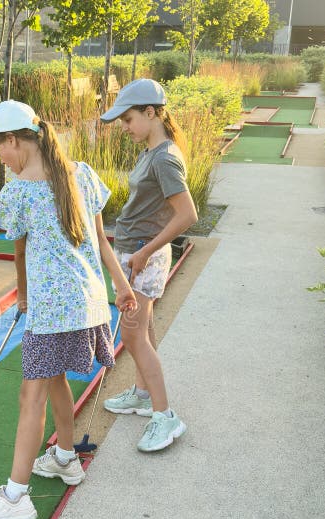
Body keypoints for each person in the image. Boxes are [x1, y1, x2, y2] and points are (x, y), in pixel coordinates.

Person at [0, 100, 136, 519]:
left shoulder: (18, 192)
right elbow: (101, 240)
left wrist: (23, 296)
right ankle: (64, 457)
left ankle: (16, 496)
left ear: (13, 140)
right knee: (56, 375)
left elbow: (19, 252)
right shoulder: (81, 174)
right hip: (90, 301)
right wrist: (121, 287)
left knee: (31, 396)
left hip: (54, 309)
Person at [99, 78, 198, 452]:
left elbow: (187, 214)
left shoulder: (165, 157)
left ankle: (165, 416)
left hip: (143, 256)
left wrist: (144, 251)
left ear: (152, 113)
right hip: (135, 252)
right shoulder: (151, 151)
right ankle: (143, 394)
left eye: (128, 120)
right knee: (145, 330)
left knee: (132, 336)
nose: (124, 128)